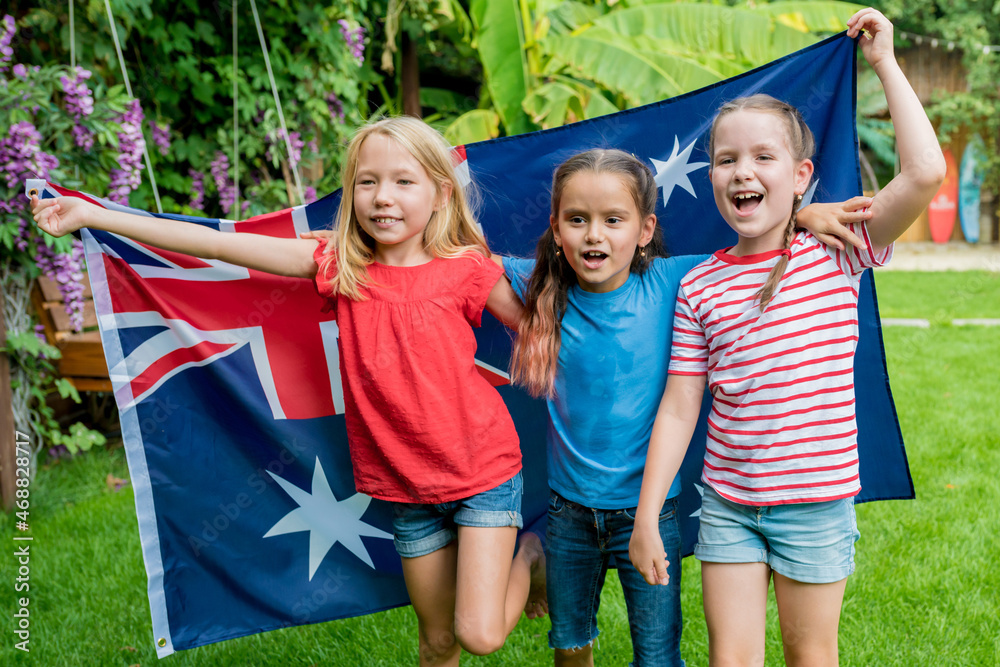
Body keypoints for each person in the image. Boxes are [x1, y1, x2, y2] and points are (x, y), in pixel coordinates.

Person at [31, 116, 547, 666]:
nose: (382, 197)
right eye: (367, 182)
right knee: (437, 640)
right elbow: (217, 245)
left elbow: (541, 334)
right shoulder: (340, 266)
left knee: (479, 636)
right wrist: (95, 215)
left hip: (483, 473)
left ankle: (532, 558)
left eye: (403, 181)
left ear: (442, 192)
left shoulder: (466, 268)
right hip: (405, 485)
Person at [628, 8, 945, 667]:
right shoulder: (699, 286)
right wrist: (648, 511)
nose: (742, 171)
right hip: (729, 504)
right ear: (710, 178)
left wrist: (884, 62)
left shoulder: (837, 248)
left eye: (762, 157)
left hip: (816, 504)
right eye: (725, 159)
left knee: (810, 654)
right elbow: (682, 403)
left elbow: (923, 174)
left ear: (801, 174)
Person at [502, 149, 872, 667]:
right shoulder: (539, 286)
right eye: (577, 220)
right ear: (557, 229)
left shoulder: (676, 280)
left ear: (645, 229)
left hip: (650, 511)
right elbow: (459, 264)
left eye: (613, 220)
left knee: (657, 654)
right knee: (570, 646)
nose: (594, 235)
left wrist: (800, 216)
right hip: (569, 513)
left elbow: (754, 250)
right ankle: (536, 559)